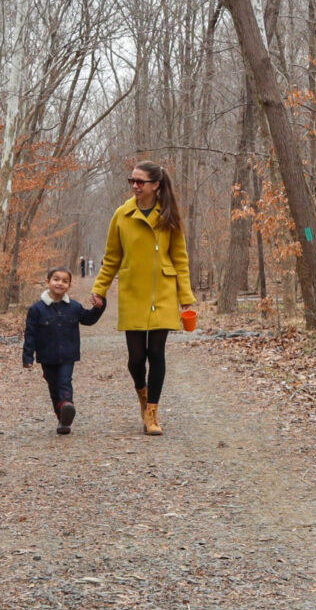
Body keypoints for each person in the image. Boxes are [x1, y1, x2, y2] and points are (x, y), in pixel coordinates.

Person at [90, 160, 195, 436]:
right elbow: (111, 257)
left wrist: (186, 296)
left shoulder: (169, 215)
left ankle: (152, 413)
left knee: (156, 353)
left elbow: (180, 259)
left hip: (163, 291)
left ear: (155, 185)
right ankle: (142, 393)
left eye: (140, 182)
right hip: (133, 292)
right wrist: (99, 289)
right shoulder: (121, 216)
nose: (135, 186)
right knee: (136, 359)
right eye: (132, 181)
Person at [22, 266, 105, 434]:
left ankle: (67, 404)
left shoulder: (74, 307)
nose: (60, 283)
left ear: (69, 285)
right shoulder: (37, 310)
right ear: (48, 282)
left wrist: (98, 307)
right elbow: (30, 334)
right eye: (56, 279)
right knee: (53, 386)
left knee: (64, 381)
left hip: (68, 354)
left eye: (65, 281)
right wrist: (28, 357)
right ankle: (62, 417)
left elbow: (88, 320)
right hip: (47, 356)